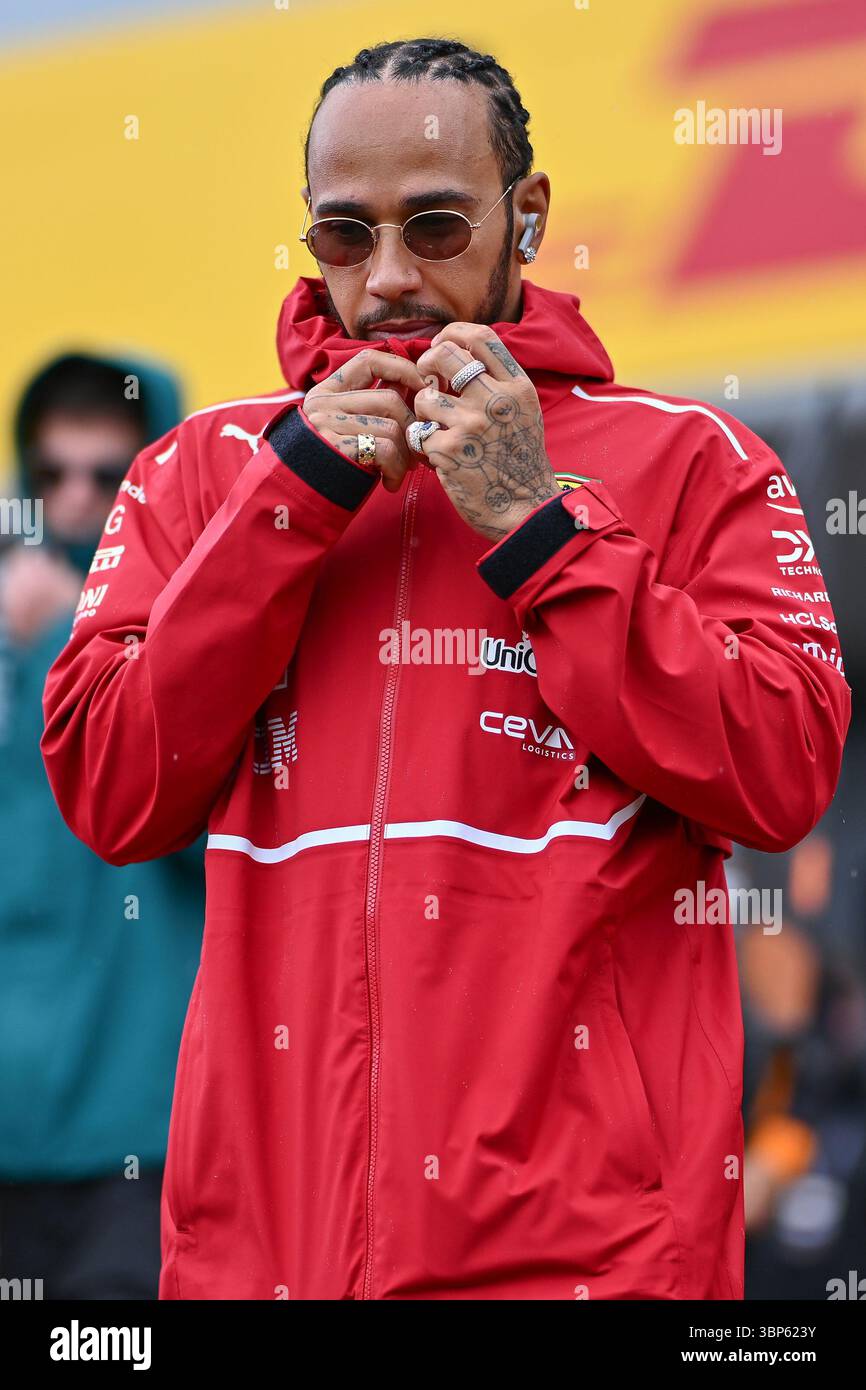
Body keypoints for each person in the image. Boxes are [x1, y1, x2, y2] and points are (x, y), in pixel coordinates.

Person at [41, 39, 850, 1301]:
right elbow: (110, 790)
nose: (389, 278)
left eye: (432, 223)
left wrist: (538, 525)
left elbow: (782, 770)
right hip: (268, 1260)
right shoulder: (201, 472)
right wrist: (292, 500)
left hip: (594, 1263)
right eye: (343, 238)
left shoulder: (698, 459)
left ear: (526, 215)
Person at [0, 353, 203, 1298]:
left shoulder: (200, 620)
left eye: (107, 473)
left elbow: (188, 829)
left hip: (140, 1132)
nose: (76, 501)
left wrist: (56, 652)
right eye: (50, 474)